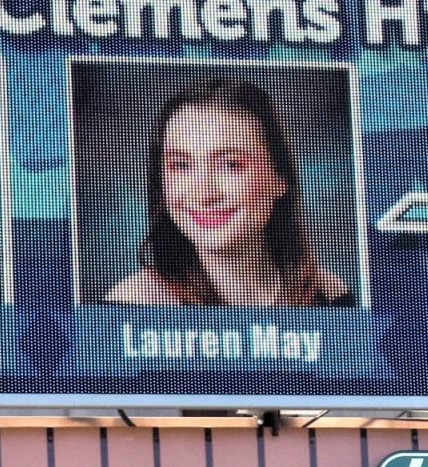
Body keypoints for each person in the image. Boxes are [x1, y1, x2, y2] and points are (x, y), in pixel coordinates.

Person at [105, 77, 352, 307]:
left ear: (280, 178)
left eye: (231, 164)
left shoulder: (327, 292)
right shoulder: (132, 303)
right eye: (180, 165)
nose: (205, 193)